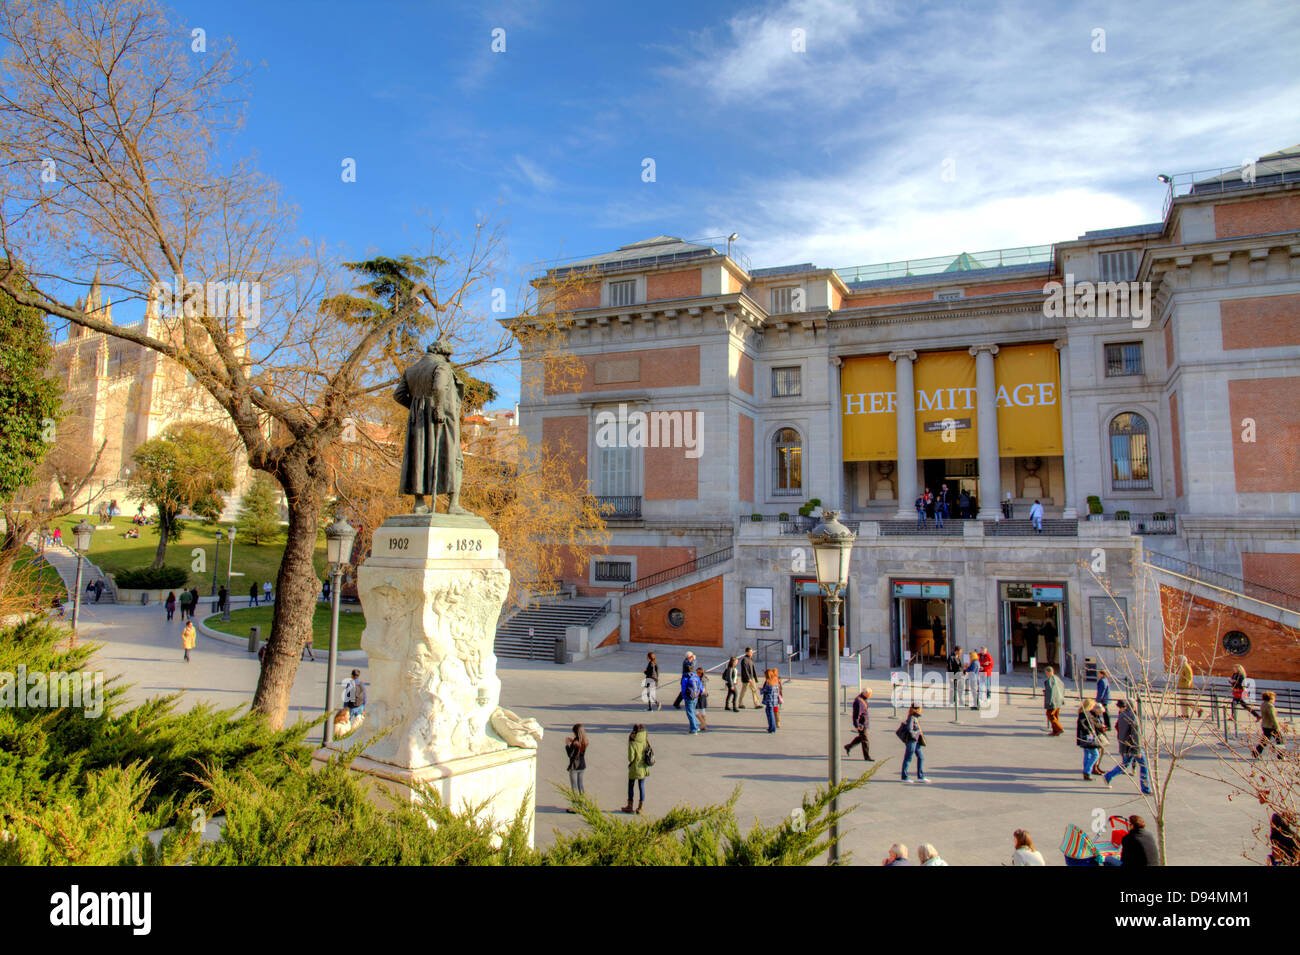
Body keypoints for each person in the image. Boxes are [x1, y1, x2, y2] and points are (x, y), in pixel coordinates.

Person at [1104, 699, 1152, 794]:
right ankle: (1146, 789)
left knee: (1125, 764)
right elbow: (1136, 735)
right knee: (1143, 765)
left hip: (1125, 745)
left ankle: (1108, 776)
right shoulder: (1133, 717)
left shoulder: (1122, 715)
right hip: (1133, 746)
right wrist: (1137, 750)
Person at [620, 724, 649, 814]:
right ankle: (640, 807)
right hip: (643, 767)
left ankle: (630, 806)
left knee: (631, 786)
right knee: (641, 786)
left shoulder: (633, 742)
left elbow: (631, 758)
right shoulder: (645, 739)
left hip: (634, 768)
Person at [1077, 699, 1107, 781]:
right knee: (1095, 755)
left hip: (1085, 737)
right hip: (1088, 737)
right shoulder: (1085, 714)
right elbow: (1081, 724)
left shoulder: (1084, 713)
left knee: (1087, 755)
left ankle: (1086, 772)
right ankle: (1087, 771)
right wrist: (1088, 731)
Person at [899, 703, 929, 782]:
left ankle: (920, 776)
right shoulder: (912, 718)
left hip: (915, 741)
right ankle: (904, 777)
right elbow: (909, 729)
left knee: (921, 757)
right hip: (912, 741)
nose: (921, 710)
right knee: (908, 758)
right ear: (917, 709)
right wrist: (915, 735)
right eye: (920, 709)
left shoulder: (915, 717)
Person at [1251, 690, 1283, 759]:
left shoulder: (1263, 704)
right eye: (1274, 698)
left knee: (1264, 741)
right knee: (1280, 740)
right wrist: (1277, 726)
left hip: (1264, 725)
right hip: (1272, 726)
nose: (1274, 700)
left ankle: (1256, 752)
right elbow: (1273, 717)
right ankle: (1281, 755)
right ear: (1270, 699)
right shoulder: (1270, 706)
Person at [564, 723, 588, 809]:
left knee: (574, 786)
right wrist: (573, 740)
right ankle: (583, 804)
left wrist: (567, 745)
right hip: (582, 765)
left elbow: (570, 754)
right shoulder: (585, 741)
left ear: (575, 732)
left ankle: (576, 806)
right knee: (580, 784)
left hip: (574, 766)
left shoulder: (575, 743)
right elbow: (578, 746)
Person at [844, 687, 872, 760]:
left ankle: (848, 746)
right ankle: (867, 756)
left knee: (861, 737)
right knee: (865, 739)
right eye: (870, 694)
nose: (870, 695)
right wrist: (857, 725)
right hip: (861, 724)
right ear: (865, 693)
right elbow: (856, 715)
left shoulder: (863, 699)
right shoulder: (859, 701)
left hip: (864, 723)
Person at [1043, 665, 1065, 735]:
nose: (1046, 674)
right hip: (1059, 700)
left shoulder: (1050, 680)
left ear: (1048, 672)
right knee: (1055, 716)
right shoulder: (1058, 679)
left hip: (1053, 701)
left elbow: (1050, 692)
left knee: (1050, 714)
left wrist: (1049, 702)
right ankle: (1055, 731)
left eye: (1046, 673)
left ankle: (1059, 728)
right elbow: (1062, 688)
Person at [681, 665, 703, 734]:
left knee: (690, 713)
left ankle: (694, 729)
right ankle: (695, 727)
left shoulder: (685, 677)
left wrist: (684, 696)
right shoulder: (696, 677)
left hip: (688, 697)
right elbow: (701, 688)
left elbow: (683, 688)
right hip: (695, 696)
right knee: (692, 712)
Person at [1229, 664, 1249, 730]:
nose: (1234, 669)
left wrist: (1235, 682)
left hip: (1241, 691)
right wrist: (1231, 681)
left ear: (1238, 669)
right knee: (1241, 704)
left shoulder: (1241, 675)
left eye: (1235, 668)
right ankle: (1233, 716)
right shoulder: (1234, 674)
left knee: (1235, 703)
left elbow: (1242, 684)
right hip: (1236, 691)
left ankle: (1233, 716)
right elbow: (1233, 682)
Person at [694, 667, 710, 731]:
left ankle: (703, 724)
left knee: (695, 711)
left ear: (700, 673)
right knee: (702, 711)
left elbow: (700, 689)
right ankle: (703, 725)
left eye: (697, 672)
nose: (696, 674)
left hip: (700, 696)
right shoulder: (704, 678)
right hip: (703, 696)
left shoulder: (700, 679)